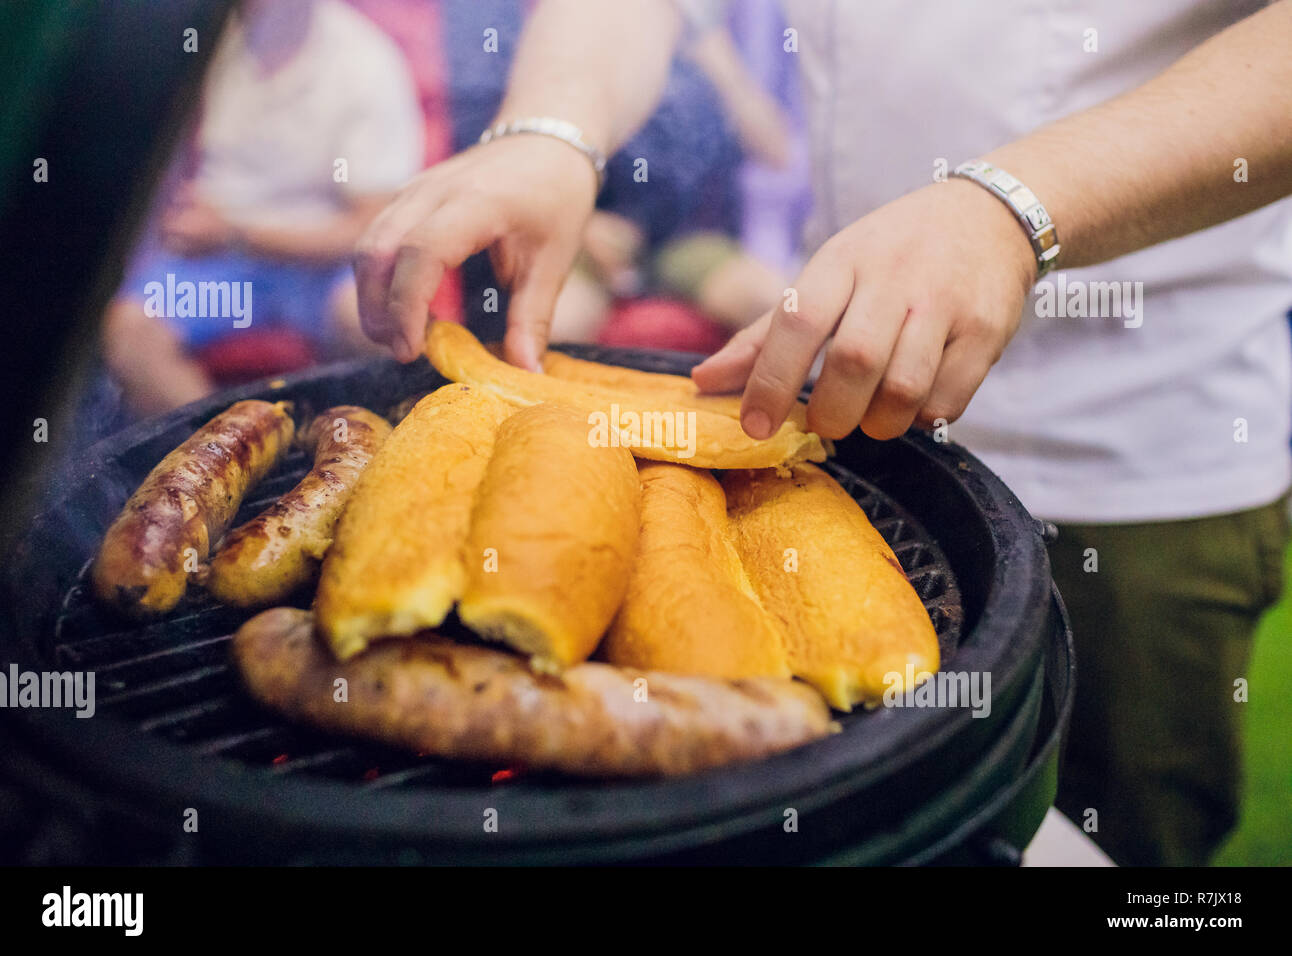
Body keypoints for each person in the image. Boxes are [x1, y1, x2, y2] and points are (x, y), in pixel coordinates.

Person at [351, 0, 1292, 865]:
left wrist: (1013, 207)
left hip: (1143, 438)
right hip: (837, 404)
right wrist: (553, 131)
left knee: (1120, 849)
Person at [103, 0, 422, 417]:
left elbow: (371, 226)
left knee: (374, 324)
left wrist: (236, 233)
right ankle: (218, 456)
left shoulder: (365, 61)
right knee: (130, 329)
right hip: (224, 269)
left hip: (320, 268)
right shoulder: (208, 44)